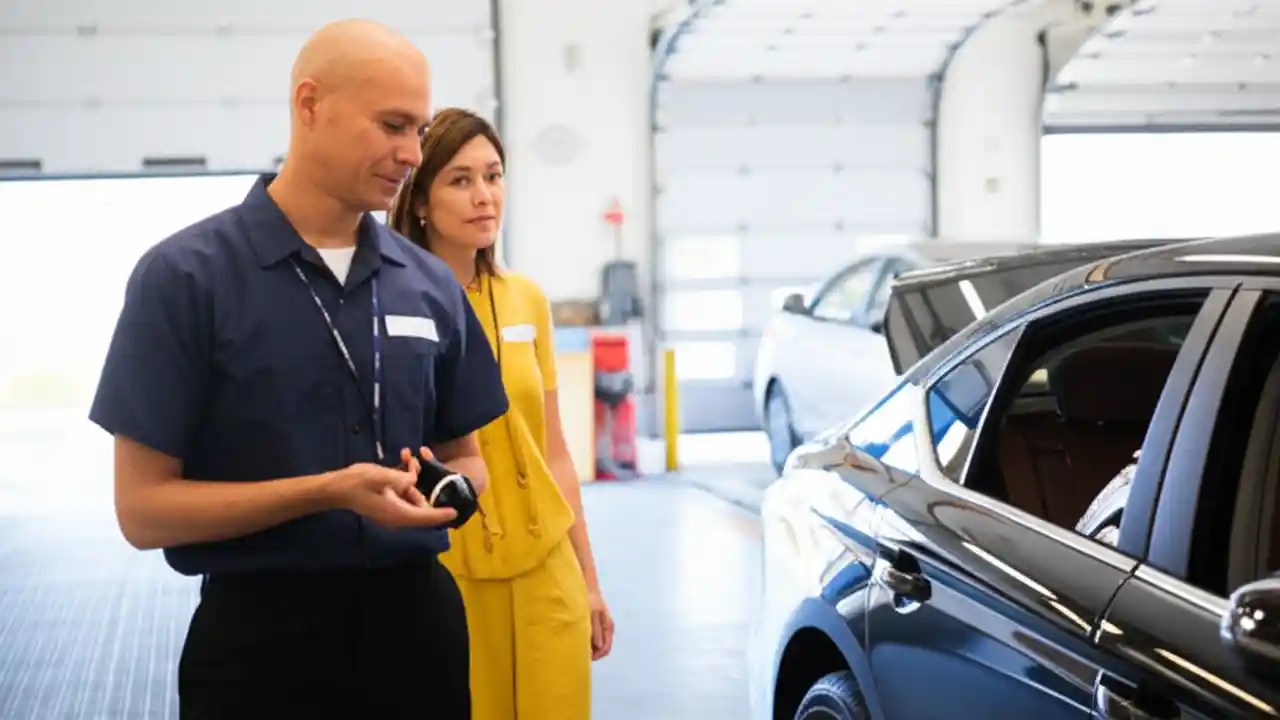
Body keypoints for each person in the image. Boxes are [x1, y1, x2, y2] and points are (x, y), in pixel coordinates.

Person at [87, 20, 508, 719]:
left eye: (420, 130)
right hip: (260, 643)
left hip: (418, 636)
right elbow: (143, 510)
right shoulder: (186, 279)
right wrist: (329, 492)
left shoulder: (429, 286)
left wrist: (449, 488)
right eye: (392, 126)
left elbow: (470, 455)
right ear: (310, 104)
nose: (411, 154)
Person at [388, 107, 616, 720]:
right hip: (450, 571)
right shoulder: (394, 307)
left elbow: (555, 453)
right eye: (460, 180)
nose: (485, 196)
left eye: (493, 175)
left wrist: (588, 579)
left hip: (546, 567)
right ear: (421, 202)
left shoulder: (526, 299)